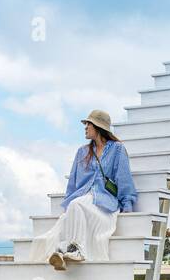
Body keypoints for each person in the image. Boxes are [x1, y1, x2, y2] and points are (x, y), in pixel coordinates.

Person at [30, 109, 137, 269]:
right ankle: (66, 251)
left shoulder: (117, 149)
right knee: (71, 211)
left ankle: (73, 249)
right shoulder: (82, 152)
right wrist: (67, 207)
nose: (85, 127)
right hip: (82, 201)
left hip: (104, 205)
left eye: (89, 124)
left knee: (77, 206)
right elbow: (73, 183)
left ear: (98, 127)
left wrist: (127, 205)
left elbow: (124, 178)